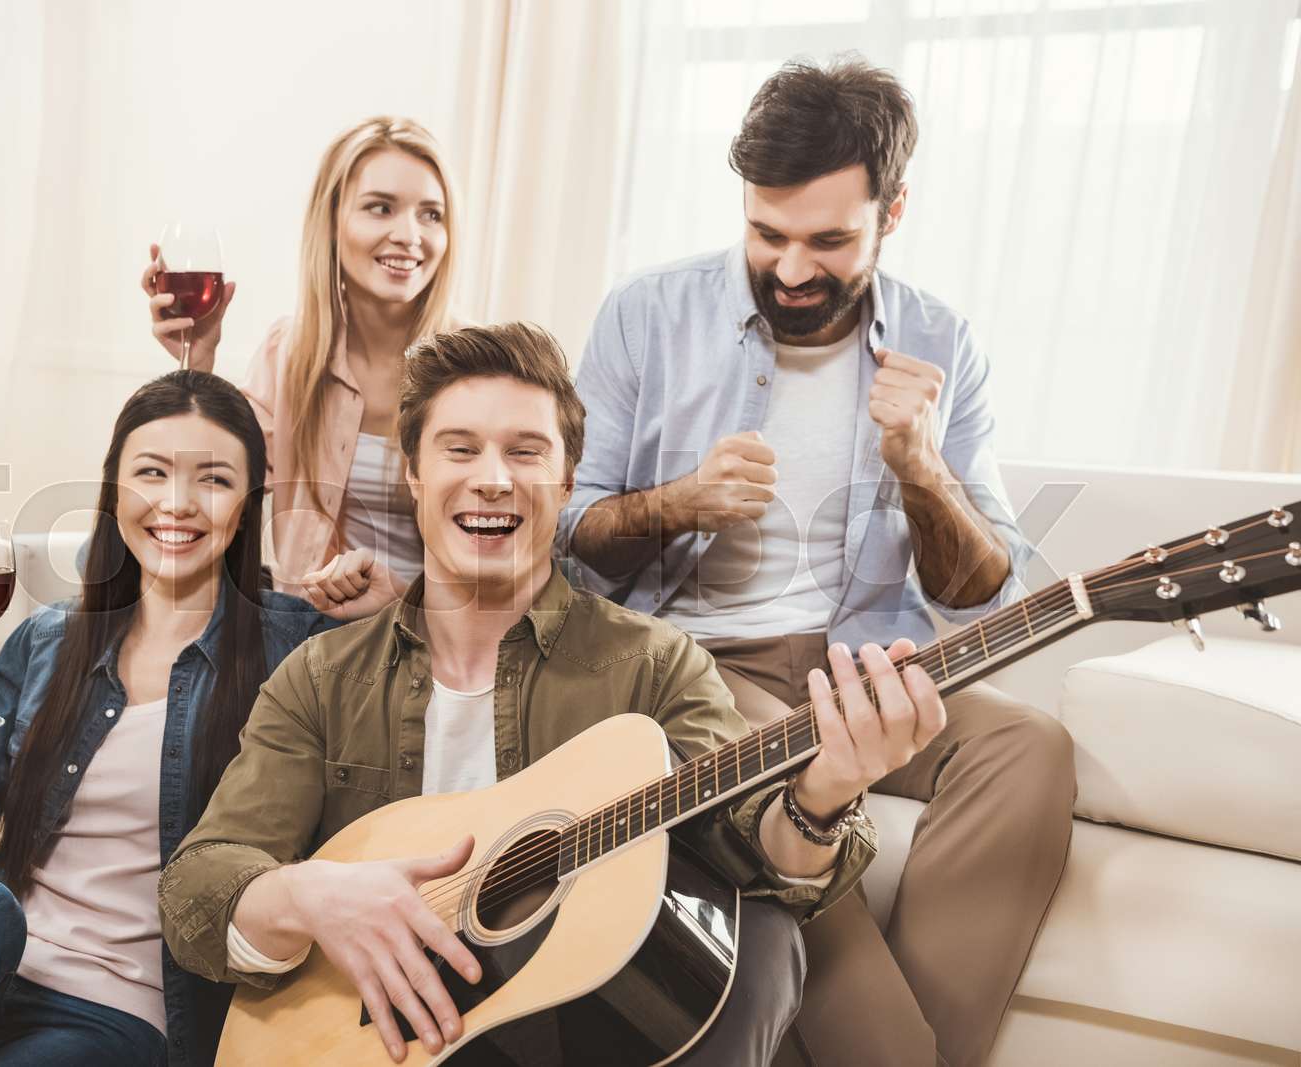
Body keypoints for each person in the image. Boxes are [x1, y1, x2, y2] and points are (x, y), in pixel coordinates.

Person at [158, 322, 949, 1065]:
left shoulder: (656, 665)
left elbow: (754, 854)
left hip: (583, 1035)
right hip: (374, 1040)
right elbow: (197, 888)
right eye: (459, 448)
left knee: (766, 939)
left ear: (568, 479)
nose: (493, 479)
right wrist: (309, 894)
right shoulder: (321, 676)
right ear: (413, 472)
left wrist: (827, 792)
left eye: (526, 451)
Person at [560, 57, 1077, 1067]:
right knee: (803, 750)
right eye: (767, 235)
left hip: (862, 663)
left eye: (829, 241)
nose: (792, 268)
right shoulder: (643, 315)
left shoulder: (941, 341)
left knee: (1030, 749)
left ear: (893, 211)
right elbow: (565, 535)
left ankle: (915, 1047)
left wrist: (923, 472)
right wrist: (676, 504)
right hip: (690, 663)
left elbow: (988, 586)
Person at [0, 371, 384, 1067]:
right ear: (112, 491)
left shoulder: (295, 645)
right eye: (151, 472)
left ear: (249, 503)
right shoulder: (48, 639)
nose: (177, 502)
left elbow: (434, 691)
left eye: (215, 479)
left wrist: (390, 610)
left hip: (119, 1014)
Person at [140, 116, 460, 595]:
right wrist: (198, 362)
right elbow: (210, 487)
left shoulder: (475, 369)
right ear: (332, 224)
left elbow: (505, 562)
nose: (410, 234)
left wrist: (404, 607)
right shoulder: (289, 353)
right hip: (305, 641)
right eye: (380, 208)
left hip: (430, 639)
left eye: (431, 214)